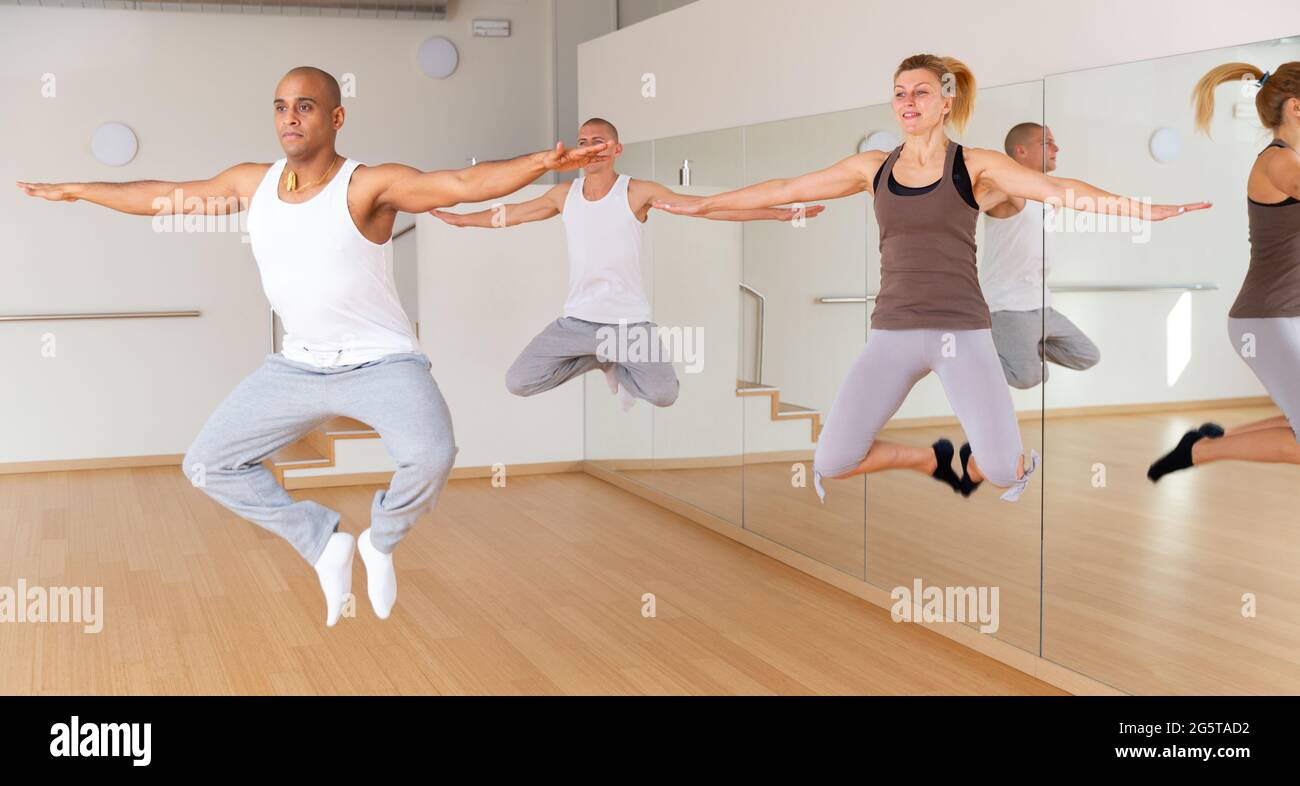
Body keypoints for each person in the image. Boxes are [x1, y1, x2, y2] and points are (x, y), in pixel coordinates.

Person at [17, 66, 610, 626]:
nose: (290, 118)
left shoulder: (368, 185)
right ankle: (323, 542)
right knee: (207, 462)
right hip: (298, 367)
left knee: (431, 455)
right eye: (281, 107)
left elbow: (458, 185)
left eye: (305, 106)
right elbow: (164, 194)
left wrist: (544, 161)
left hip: (382, 362)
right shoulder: (255, 183)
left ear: (336, 117)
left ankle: (380, 540)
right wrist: (78, 189)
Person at [655, 54, 1208, 502]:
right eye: (899, 92)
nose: (907, 102)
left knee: (1000, 472)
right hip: (891, 333)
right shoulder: (873, 166)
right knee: (833, 459)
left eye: (919, 92)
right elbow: (782, 189)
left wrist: (1144, 209)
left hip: (962, 332)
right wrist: (697, 206)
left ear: (945, 102)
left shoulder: (976, 164)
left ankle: (990, 457)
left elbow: (1061, 191)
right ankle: (932, 459)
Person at [431, 117, 822, 410]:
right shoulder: (563, 195)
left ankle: (611, 359)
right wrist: (462, 219)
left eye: (598, 141)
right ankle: (602, 360)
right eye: (582, 141)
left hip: (628, 324)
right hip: (576, 322)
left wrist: (775, 213)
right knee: (519, 381)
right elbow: (511, 213)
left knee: (664, 395)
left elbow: (704, 209)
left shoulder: (637, 193)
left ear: (616, 149)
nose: (588, 147)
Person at [1149, 61, 1300, 481]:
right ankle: (1199, 452)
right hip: (1264, 322)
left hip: (1284, 318)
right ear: (1296, 107)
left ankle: (1207, 441)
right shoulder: (1278, 163)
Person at [980, 123, 1100, 389]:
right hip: (1008, 306)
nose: (1056, 148)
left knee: (1086, 355)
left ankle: (1023, 357)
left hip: (1041, 304)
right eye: (1047, 142)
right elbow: (967, 208)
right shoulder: (1008, 191)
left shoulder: (1045, 194)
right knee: (1028, 379)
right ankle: (965, 360)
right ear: (1020, 151)